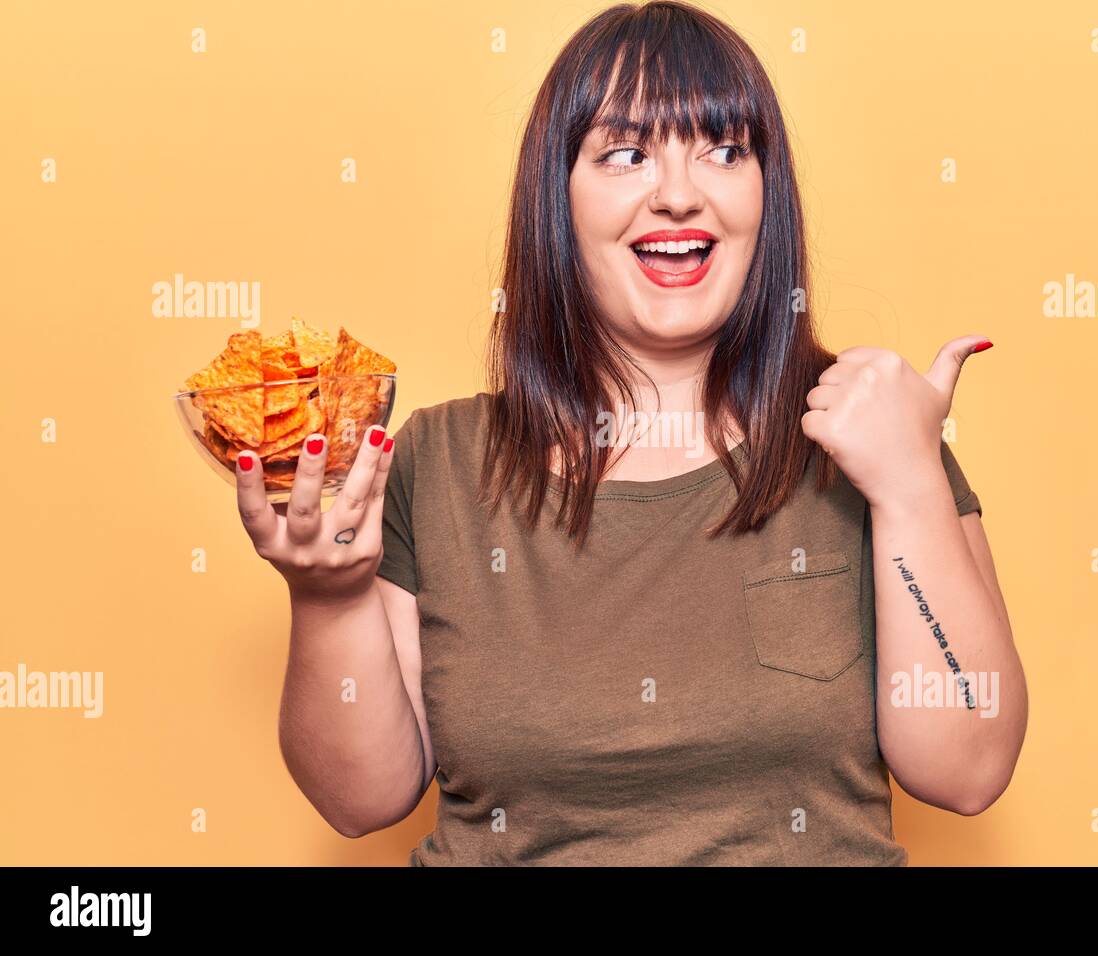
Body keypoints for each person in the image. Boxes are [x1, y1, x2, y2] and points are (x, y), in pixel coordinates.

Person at [235, 0, 1027, 866]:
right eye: (625, 153)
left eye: (724, 150)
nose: (679, 194)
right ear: (557, 200)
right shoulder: (438, 461)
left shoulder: (873, 433)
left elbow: (968, 771)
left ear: (768, 196)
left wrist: (909, 484)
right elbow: (360, 803)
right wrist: (327, 599)